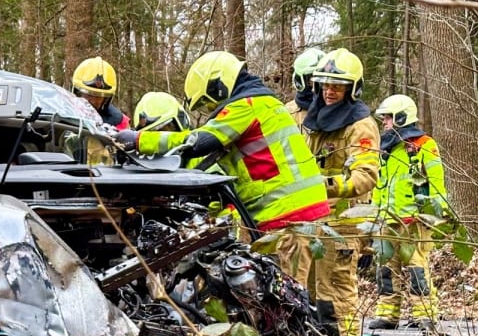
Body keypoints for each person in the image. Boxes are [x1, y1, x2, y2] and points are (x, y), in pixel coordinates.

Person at [114, 51, 329, 236]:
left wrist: (139, 140)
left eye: (208, 101)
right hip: (298, 213)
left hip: (289, 216)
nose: (211, 109)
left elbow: (199, 142)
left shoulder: (246, 106)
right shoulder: (264, 103)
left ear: (219, 86)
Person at [301, 48, 381, 336]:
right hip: (314, 223)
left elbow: (365, 175)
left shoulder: (360, 126)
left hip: (343, 225)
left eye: (337, 86)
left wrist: (324, 185)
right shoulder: (314, 121)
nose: (330, 91)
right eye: (325, 84)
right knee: (310, 299)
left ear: (352, 89)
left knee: (335, 297)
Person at [367, 94, 449, 330]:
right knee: (385, 269)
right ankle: (387, 314)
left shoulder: (424, 145)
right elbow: (380, 185)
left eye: (388, 118)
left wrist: (437, 213)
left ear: (401, 118)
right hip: (386, 219)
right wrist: (374, 216)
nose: (384, 122)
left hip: (414, 220)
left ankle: (424, 314)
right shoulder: (385, 148)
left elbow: (436, 181)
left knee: (417, 270)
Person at [71, 56, 129, 130]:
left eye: (99, 96)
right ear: (77, 93)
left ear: (106, 99)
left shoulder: (120, 123)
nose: (93, 101)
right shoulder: (61, 113)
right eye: (88, 95)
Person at [284, 47, 325, 127]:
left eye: (322, 78)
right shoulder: (288, 112)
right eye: (312, 77)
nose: (318, 82)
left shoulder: (337, 109)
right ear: (301, 80)